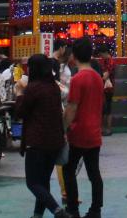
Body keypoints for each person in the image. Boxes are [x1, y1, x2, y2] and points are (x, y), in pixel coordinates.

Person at [15, 54, 71, 218]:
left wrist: (19, 93)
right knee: (44, 181)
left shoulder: (33, 88)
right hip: (54, 141)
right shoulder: (53, 87)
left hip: (37, 142)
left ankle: (57, 210)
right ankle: (37, 214)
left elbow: (20, 112)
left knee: (32, 182)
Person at [63, 37, 104, 218]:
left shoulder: (77, 79)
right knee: (94, 173)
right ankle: (96, 209)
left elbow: (72, 107)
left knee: (68, 170)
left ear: (74, 55)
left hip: (78, 132)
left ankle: (73, 208)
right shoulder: (97, 77)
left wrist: (63, 128)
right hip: (95, 131)